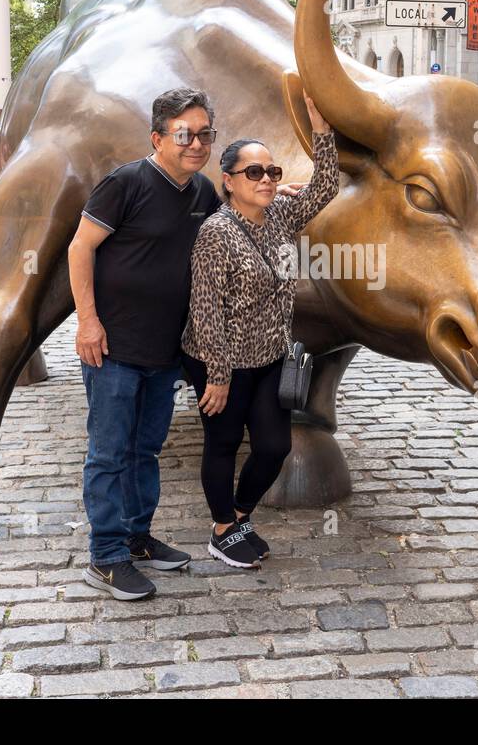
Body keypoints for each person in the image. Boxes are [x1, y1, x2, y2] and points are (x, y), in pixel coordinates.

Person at [68, 87, 222, 600]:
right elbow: (79, 249)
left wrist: (280, 189)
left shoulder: (202, 192)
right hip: (111, 349)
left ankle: (136, 537)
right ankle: (106, 555)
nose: (196, 144)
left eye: (204, 134)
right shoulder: (125, 183)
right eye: (185, 134)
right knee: (109, 453)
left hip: (164, 352)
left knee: (145, 450)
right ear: (158, 137)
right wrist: (88, 322)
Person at [181, 93, 340, 569]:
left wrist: (321, 129)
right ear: (228, 181)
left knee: (274, 445)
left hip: (270, 356)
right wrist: (218, 375)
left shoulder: (280, 217)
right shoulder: (216, 232)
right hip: (221, 360)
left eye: (272, 172)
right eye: (255, 172)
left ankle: (239, 515)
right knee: (224, 445)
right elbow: (205, 310)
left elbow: (325, 187)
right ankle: (222, 529)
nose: (267, 179)